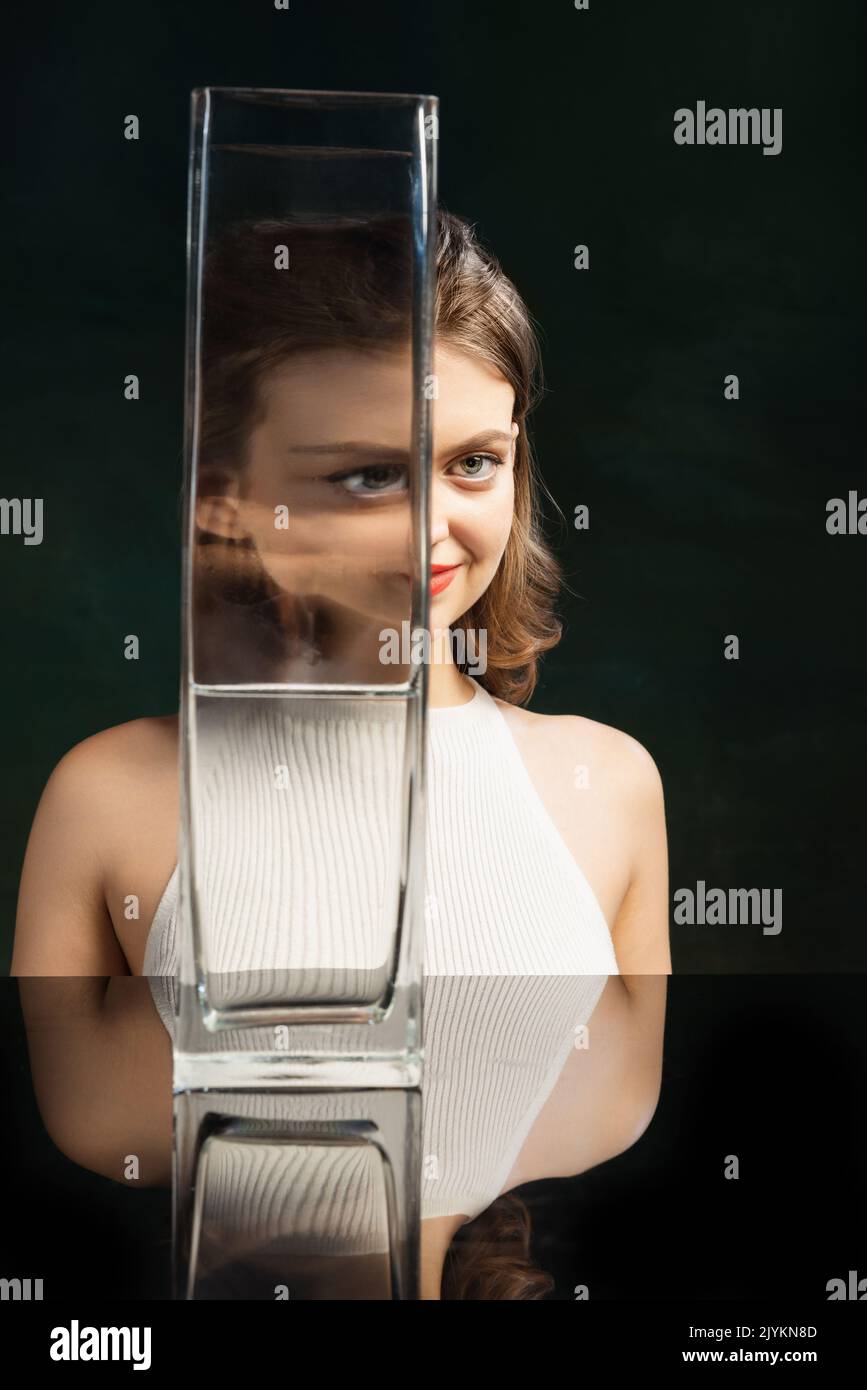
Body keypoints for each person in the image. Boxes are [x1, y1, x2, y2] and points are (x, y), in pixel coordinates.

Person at [13, 209, 669, 1298]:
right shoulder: (108, 797)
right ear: (224, 497)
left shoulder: (606, 789)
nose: (431, 531)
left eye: (474, 462)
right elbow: (97, 1118)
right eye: (367, 476)